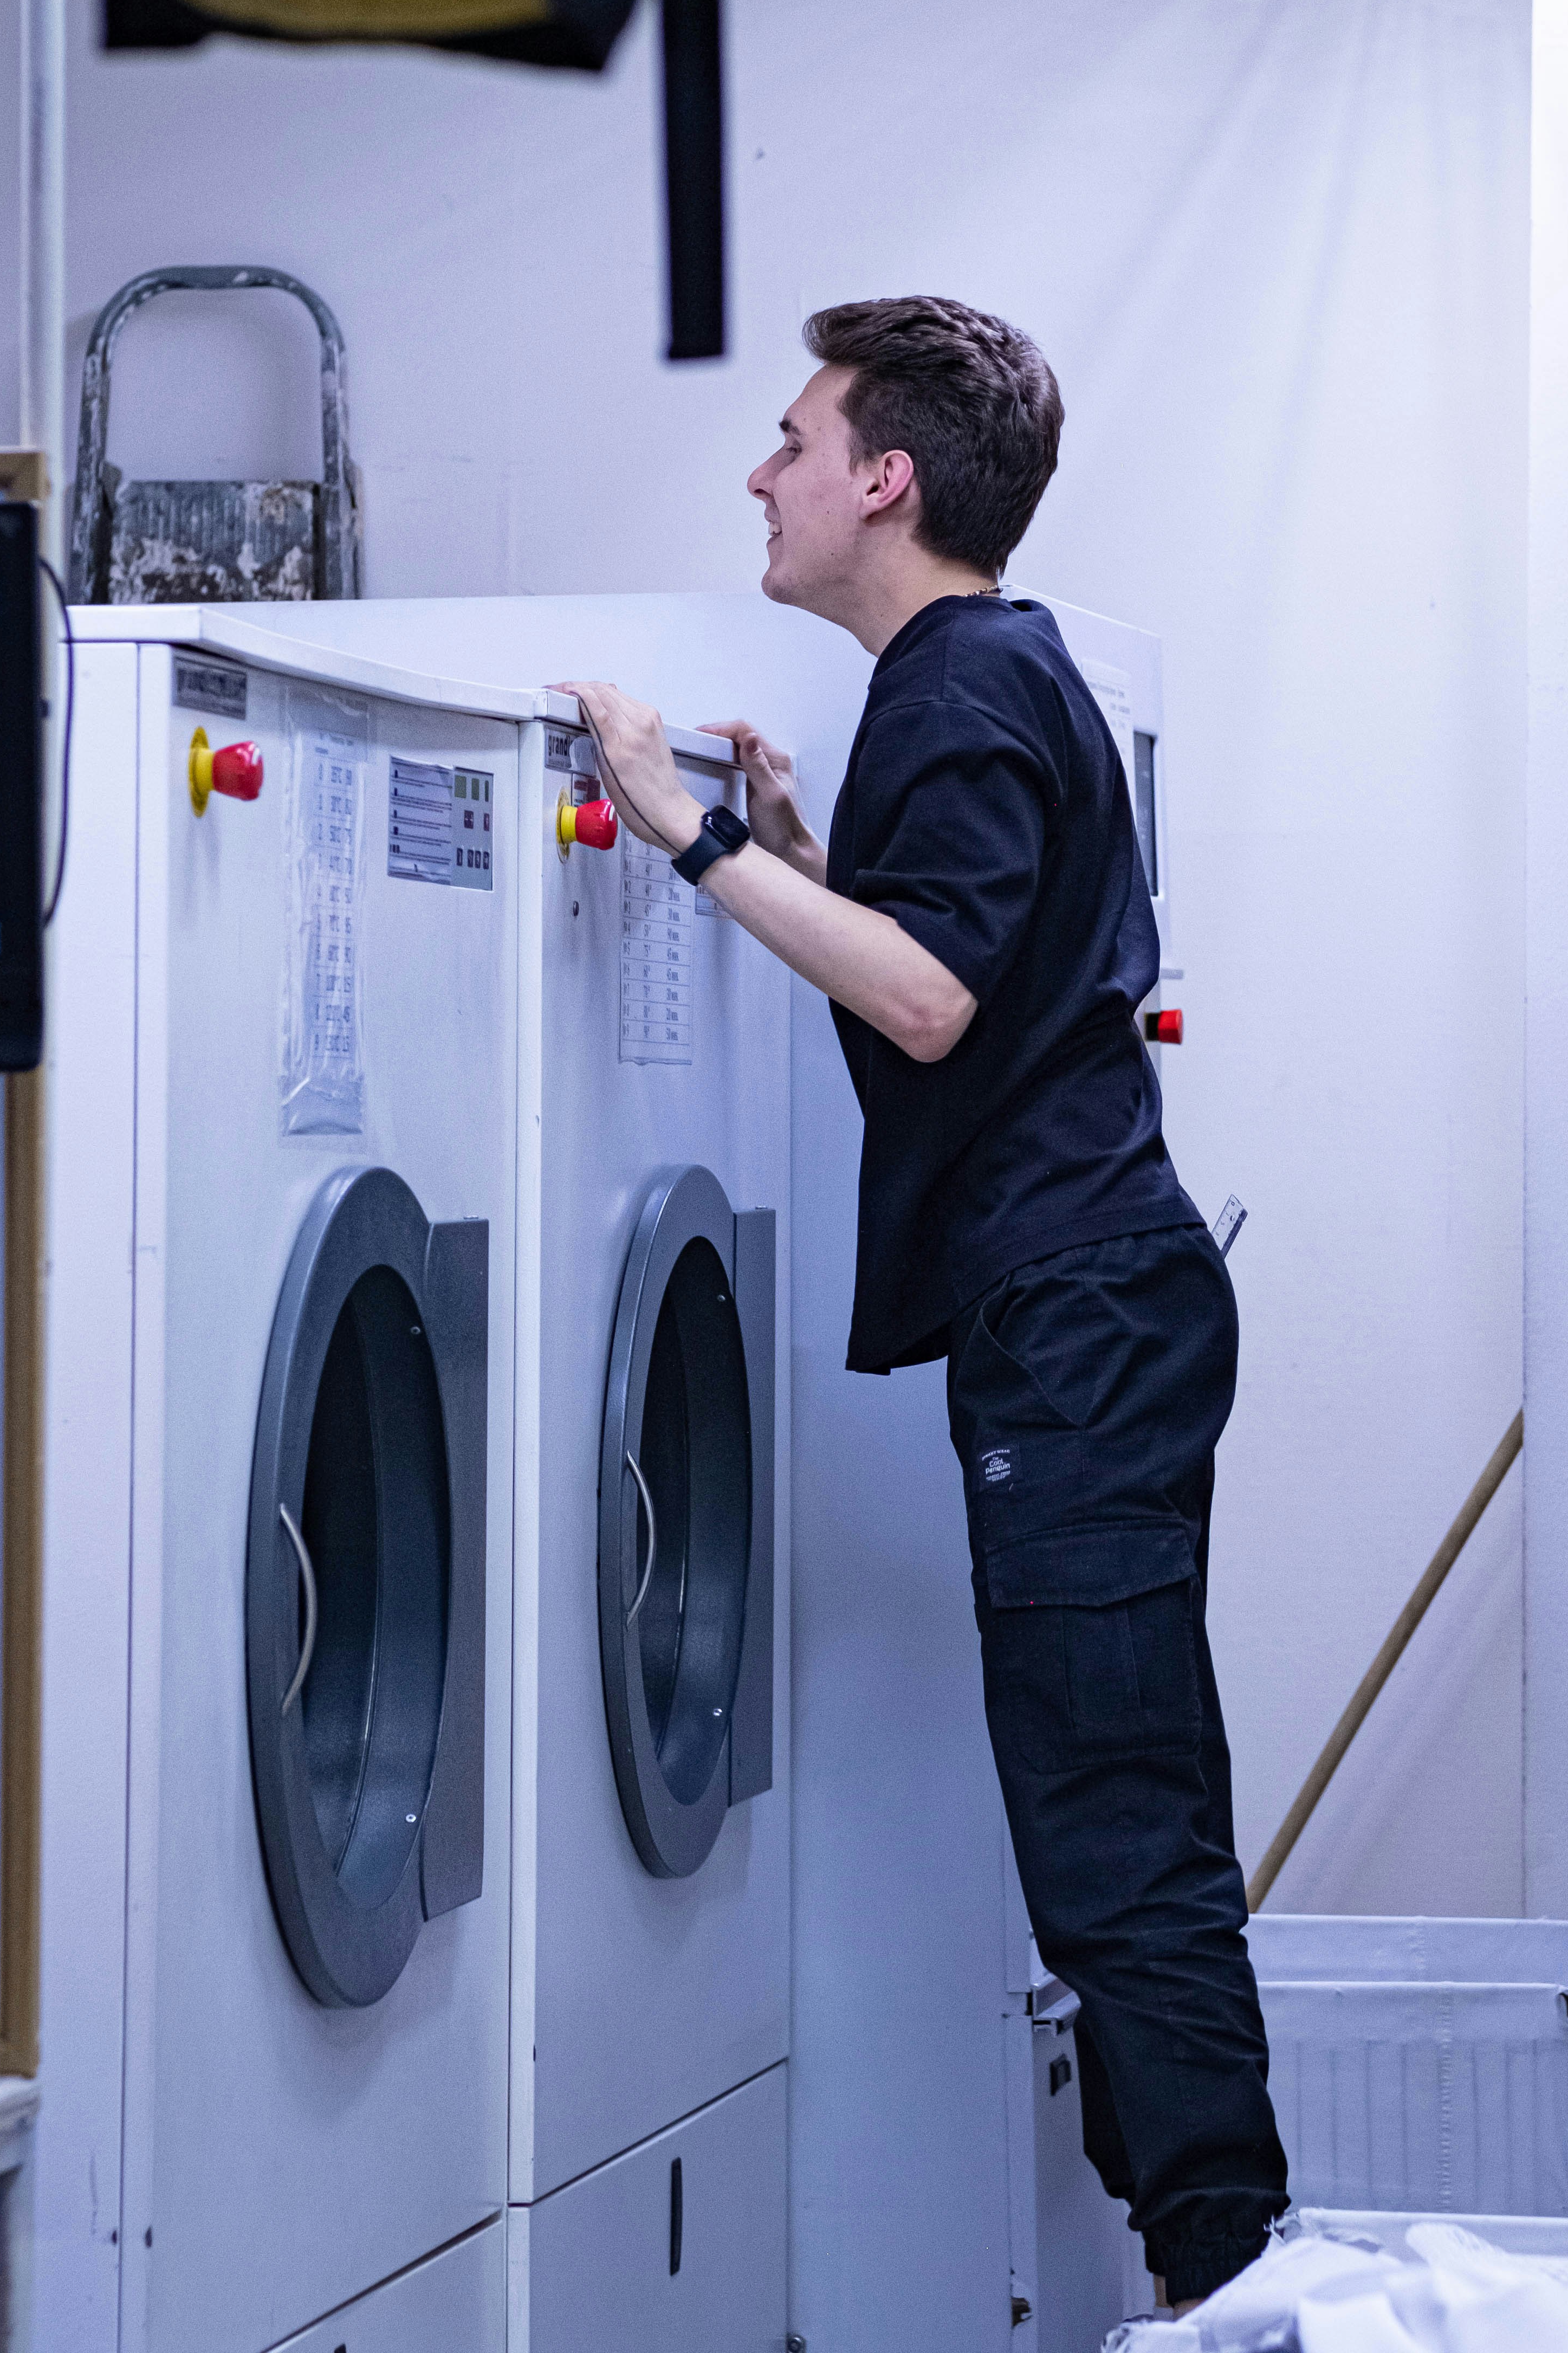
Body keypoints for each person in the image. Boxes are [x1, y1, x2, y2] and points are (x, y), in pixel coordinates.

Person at [558, 294, 1290, 2310]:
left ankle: (1233, 2286)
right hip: (1112, 1302)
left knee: (1111, 1835)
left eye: (792, 438)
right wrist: (801, 848)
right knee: (1126, 1804)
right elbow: (973, 967)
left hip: (1075, 1324)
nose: (762, 472)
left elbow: (932, 995)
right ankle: (1215, 2263)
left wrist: (682, 822)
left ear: (886, 479)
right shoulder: (996, 672)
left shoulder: (955, 690)